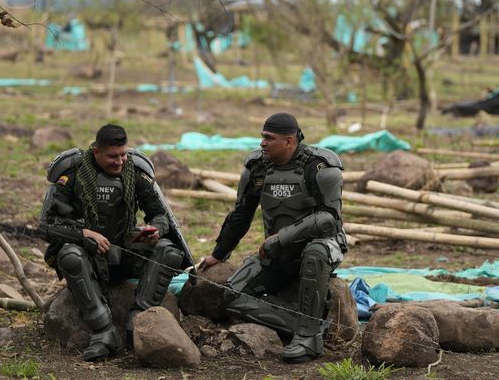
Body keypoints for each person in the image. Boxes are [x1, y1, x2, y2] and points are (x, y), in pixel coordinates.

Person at [198, 113, 347, 363]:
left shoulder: (320, 167)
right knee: (233, 296)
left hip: (322, 246)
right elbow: (242, 213)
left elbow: (329, 219)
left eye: (269, 138)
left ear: (289, 141)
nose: (262, 143)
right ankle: (308, 325)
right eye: (262, 137)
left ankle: (308, 340)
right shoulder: (257, 166)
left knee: (315, 252)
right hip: (278, 255)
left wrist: (281, 238)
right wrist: (219, 253)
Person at [38, 124, 193, 361]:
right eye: (112, 156)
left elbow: (160, 215)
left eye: (123, 154)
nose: (119, 161)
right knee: (69, 255)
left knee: (169, 252)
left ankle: (138, 322)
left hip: (124, 251)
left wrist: (155, 229)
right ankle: (103, 330)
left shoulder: (134, 171)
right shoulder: (73, 173)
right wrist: (84, 234)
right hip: (89, 256)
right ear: (96, 151)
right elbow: (47, 226)